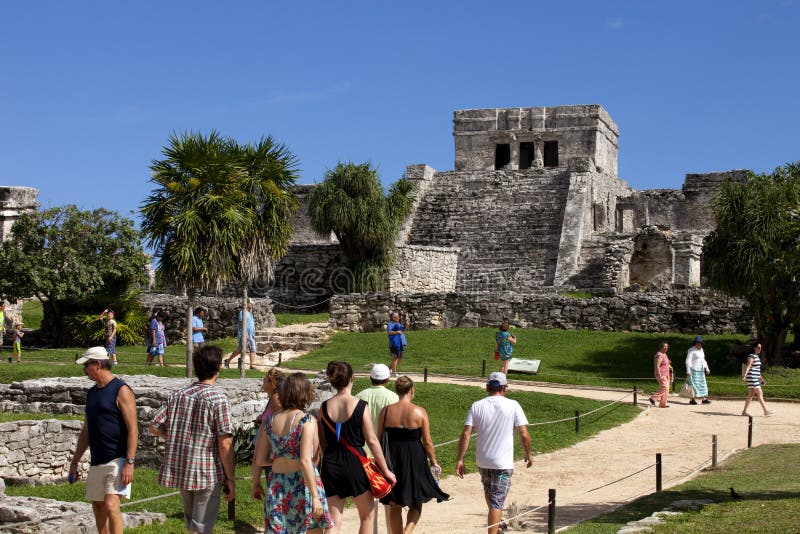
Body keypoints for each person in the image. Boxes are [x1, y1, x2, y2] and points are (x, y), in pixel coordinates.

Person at [148, 345, 235, 534]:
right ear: (218, 367)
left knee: (191, 525)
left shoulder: (179, 395)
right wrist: (230, 478)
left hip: (182, 468)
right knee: (201, 528)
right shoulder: (218, 399)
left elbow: (153, 424)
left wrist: (173, 435)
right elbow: (224, 442)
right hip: (206, 471)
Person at [319, 361, 396, 534]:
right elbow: (372, 440)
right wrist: (385, 470)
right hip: (355, 462)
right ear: (352, 378)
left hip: (331, 462)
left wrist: (330, 460)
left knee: (333, 522)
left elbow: (323, 442)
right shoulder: (360, 405)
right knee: (367, 515)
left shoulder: (323, 408)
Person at [68, 346, 138, 534]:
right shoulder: (91, 393)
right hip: (97, 459)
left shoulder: (121, 390)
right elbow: (87, 430)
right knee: (98, 506)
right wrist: (75, 461)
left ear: (98, 364)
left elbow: (133, 428)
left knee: (111, 505)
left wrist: (130, 462)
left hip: (118, 458)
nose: (84, 370)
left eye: (86, 365)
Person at [456, 372, 532, 534]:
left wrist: (460, 459)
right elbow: (524, 434)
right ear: (504, 387)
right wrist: (528, 454)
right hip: (502, 462)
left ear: (487, 387)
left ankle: (496, 526)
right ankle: (494, 530)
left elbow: (466, 434)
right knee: (497, 502)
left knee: (490, 493)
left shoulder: (477, 405)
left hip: (483, 460)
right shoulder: (513, 405)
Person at [261, 372, 333, 533]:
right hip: (303, 483)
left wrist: (279, 458)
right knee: (312, 528)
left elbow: (260, 459)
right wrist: (315, 496)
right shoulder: (305, 420)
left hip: (277, 484)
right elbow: (306, 460)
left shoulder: (269, 420)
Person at [378, 376, 448, 534]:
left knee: (394, 503)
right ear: (412, 390)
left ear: (397, 391)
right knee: (416, 501)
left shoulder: (386, 411)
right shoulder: (420, 411)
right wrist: (434, 462)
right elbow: (428, 441)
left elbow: (378, 438)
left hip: (393, 458)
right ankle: (407, 532)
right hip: (415, 457)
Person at [356, 363, 399, 532]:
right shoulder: (393, 397)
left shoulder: (359, 396)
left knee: (368, 506)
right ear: (388, 379)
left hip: (363, 454)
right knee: (390, 500)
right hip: (385, 453)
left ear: (370, 378)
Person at [252, 367, 286, 531]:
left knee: (276, 501)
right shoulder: (273, 399)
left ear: (272, 383)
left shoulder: (275, 401)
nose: (263, 382)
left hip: (271, 453)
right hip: (271, 452)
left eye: (265, 380)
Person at [741, 342, 774, 417]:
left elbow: (757, 369)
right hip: (752, 377)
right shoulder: (751, 356)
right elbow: (748, 366)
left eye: (760, 348)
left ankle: (744, 411)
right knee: (760, 393)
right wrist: (744, 376)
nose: (760, 349)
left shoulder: (757, 356)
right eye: (758, 347)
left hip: (755, 377)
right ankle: (765, 410)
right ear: (754, 348)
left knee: (751, 395)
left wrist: (761, 379)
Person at [225, 300, 257, 370]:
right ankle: (228, 361)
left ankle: (252, 365)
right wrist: (245, 333)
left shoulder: (250, 313)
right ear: (247, 304)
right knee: (240, 350)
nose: (252, 305)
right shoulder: (242, 312)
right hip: (244, 334)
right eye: (251, 304)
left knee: (253, 349)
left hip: (251, 335)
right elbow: (242, 323)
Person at [685, 335, 711, 405]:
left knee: (703, 385)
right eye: (697, 343)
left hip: (701, 370)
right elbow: (688, 360)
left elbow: (703, 360)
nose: (698, 344)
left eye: (699, 343)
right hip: (693, 370)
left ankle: (704, 399)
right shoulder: (691, 350)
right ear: (695, 343)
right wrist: (688, 370)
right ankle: (692, 399)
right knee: (693, 385)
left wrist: (707, 368)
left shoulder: (701, 350)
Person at [648, 342, 672, 408]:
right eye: (664, 346)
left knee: (667, 389)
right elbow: (657, 365)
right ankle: (653, 398)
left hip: (666, 374)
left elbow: (665, 363)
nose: (666, 348)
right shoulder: (659, 355)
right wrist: (659, 374)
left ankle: (662, 404)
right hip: (661, 374)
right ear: (661, 347)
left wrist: (668, 362)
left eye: (667, 346)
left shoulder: (664, 354)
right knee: (665, 387)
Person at [387, 312, 408, 378]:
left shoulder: (398, 324)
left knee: (400, 358)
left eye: (398, 317)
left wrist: (406, 324)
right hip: (394, 344)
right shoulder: (390, 324)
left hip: (400, 343)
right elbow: (389, 333)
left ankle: (387, 369)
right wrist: (396, 332)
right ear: (393, 318)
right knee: (395, 358)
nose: (398, 318)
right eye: (397, 317)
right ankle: (394, 372)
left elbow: (403, 329)